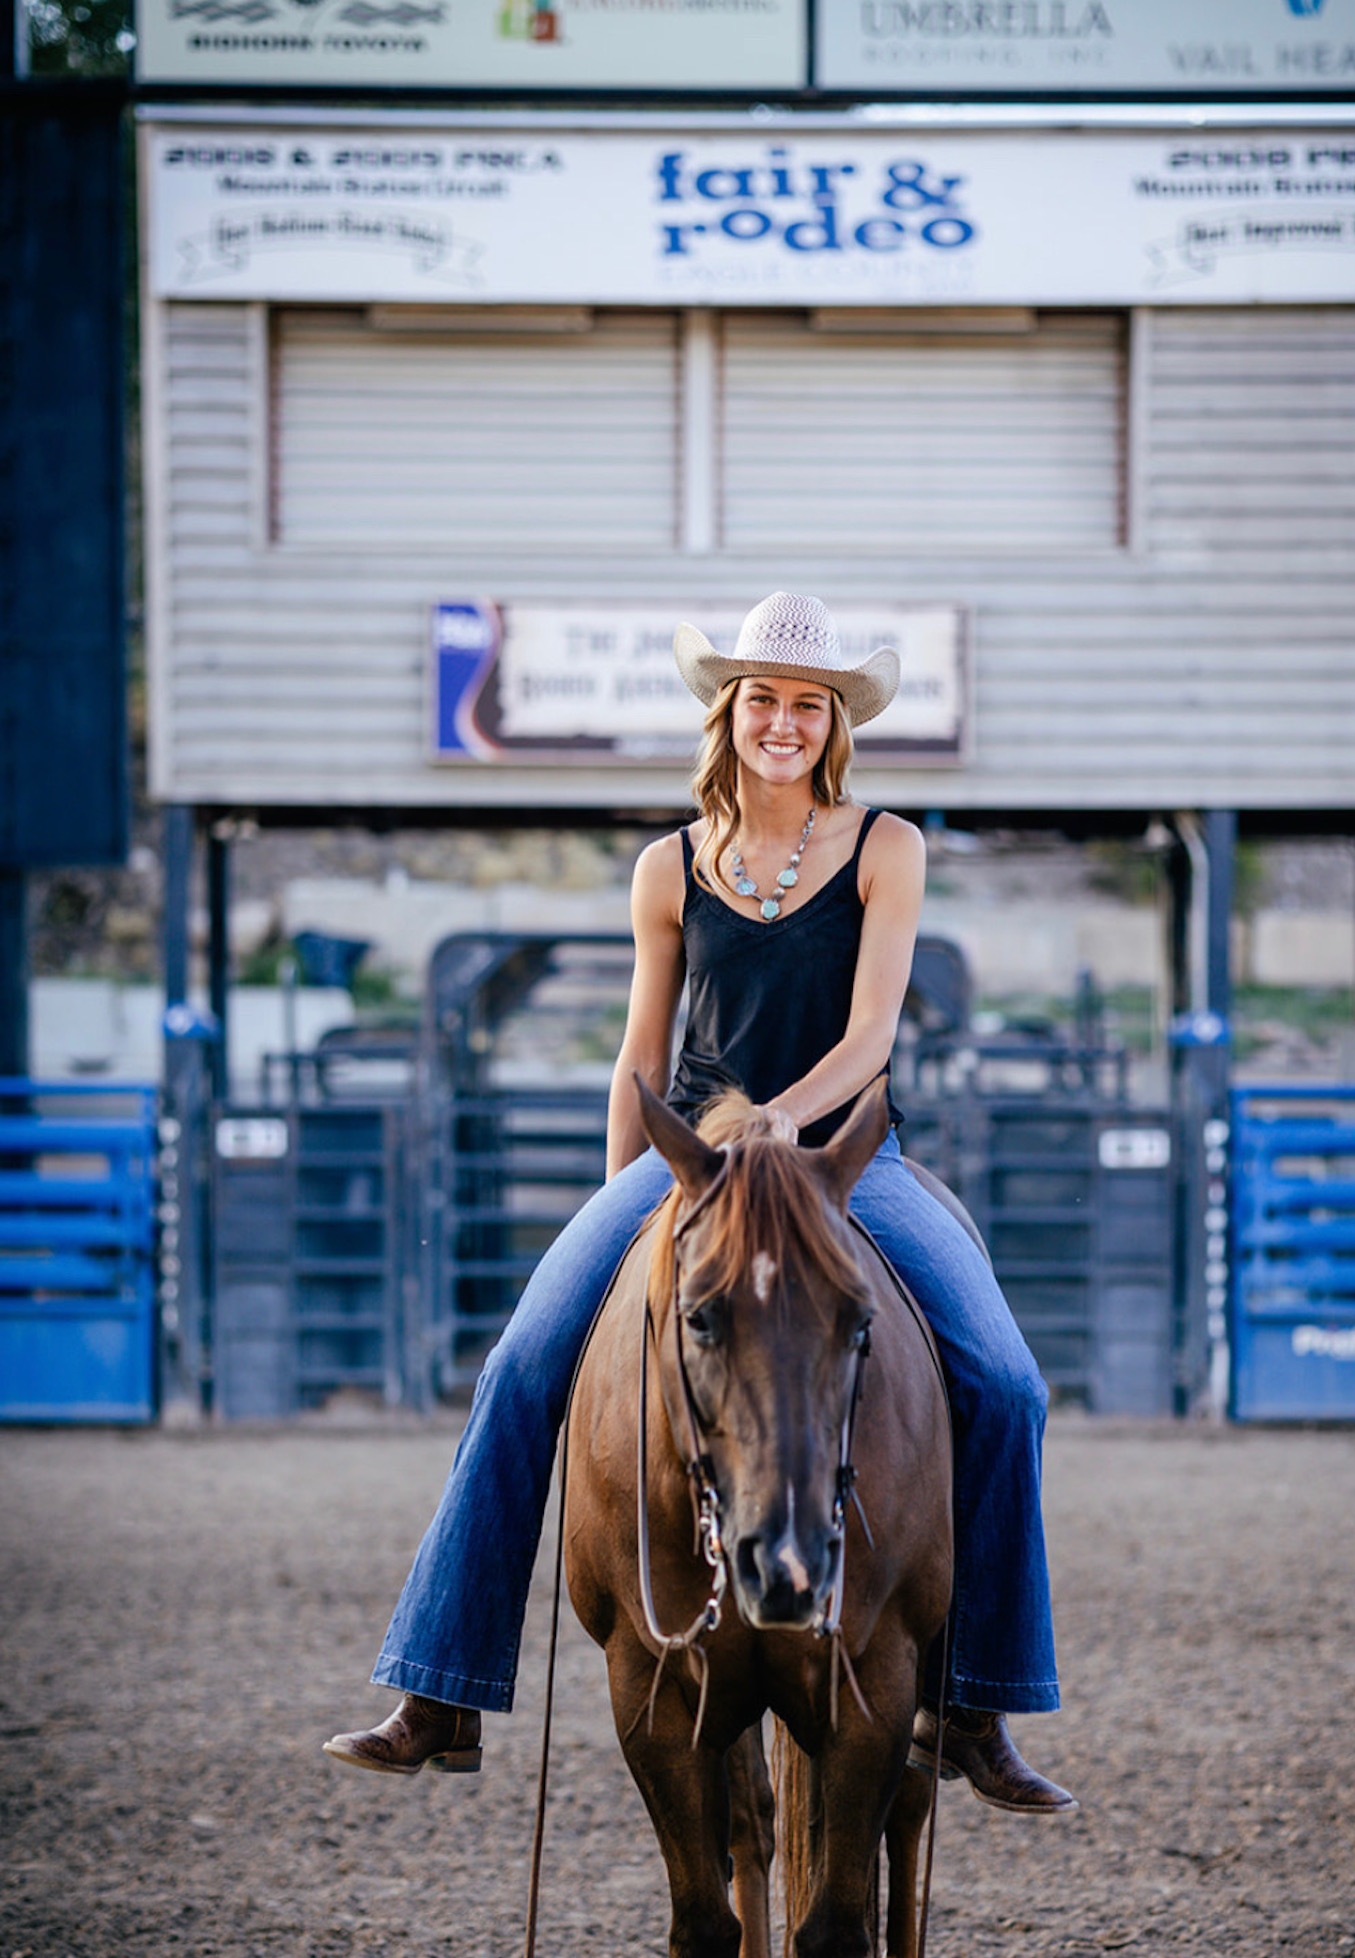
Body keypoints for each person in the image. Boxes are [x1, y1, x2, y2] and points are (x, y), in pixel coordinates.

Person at [325, 592, 1072, 1814]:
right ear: (729, 714)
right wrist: (620, 1206)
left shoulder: (886, 846)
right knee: (522, 1364)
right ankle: (440, 1686)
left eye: (806, 704)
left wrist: (782, 1121)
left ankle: (974, 1701)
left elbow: (874, 1037)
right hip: (691, 1167)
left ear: (834, 723)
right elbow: (641, 1050)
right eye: (762, 700)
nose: (783, 722)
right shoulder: (667, 867)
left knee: (1005, 1380)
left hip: (845, 1164)